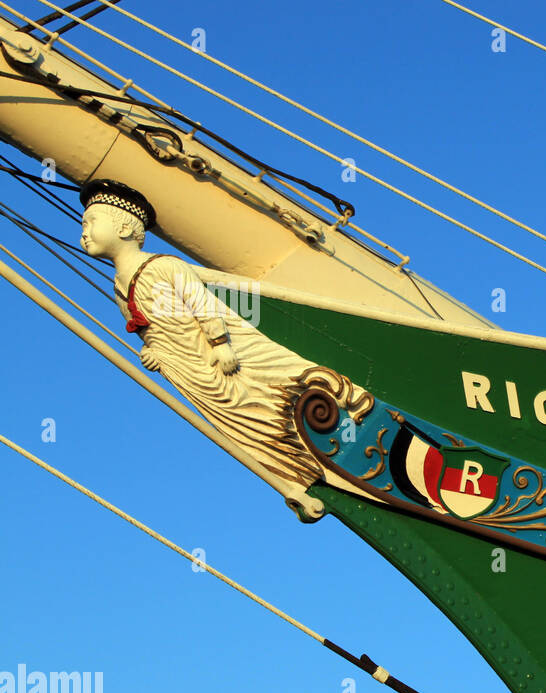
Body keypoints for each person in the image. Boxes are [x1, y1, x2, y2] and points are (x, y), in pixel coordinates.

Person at [79, 178, 367, 493]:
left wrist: (219, 343)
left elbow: (201, 304)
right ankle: (293, 464)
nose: (84, 230)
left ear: (123, 228)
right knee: (246, 422)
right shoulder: (120, 290)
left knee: (269, 384)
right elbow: (155, 333)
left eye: (91, 221)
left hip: (218, 359)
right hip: (192, 374)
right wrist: (155, 353)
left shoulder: (161, 267)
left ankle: (344, 411)